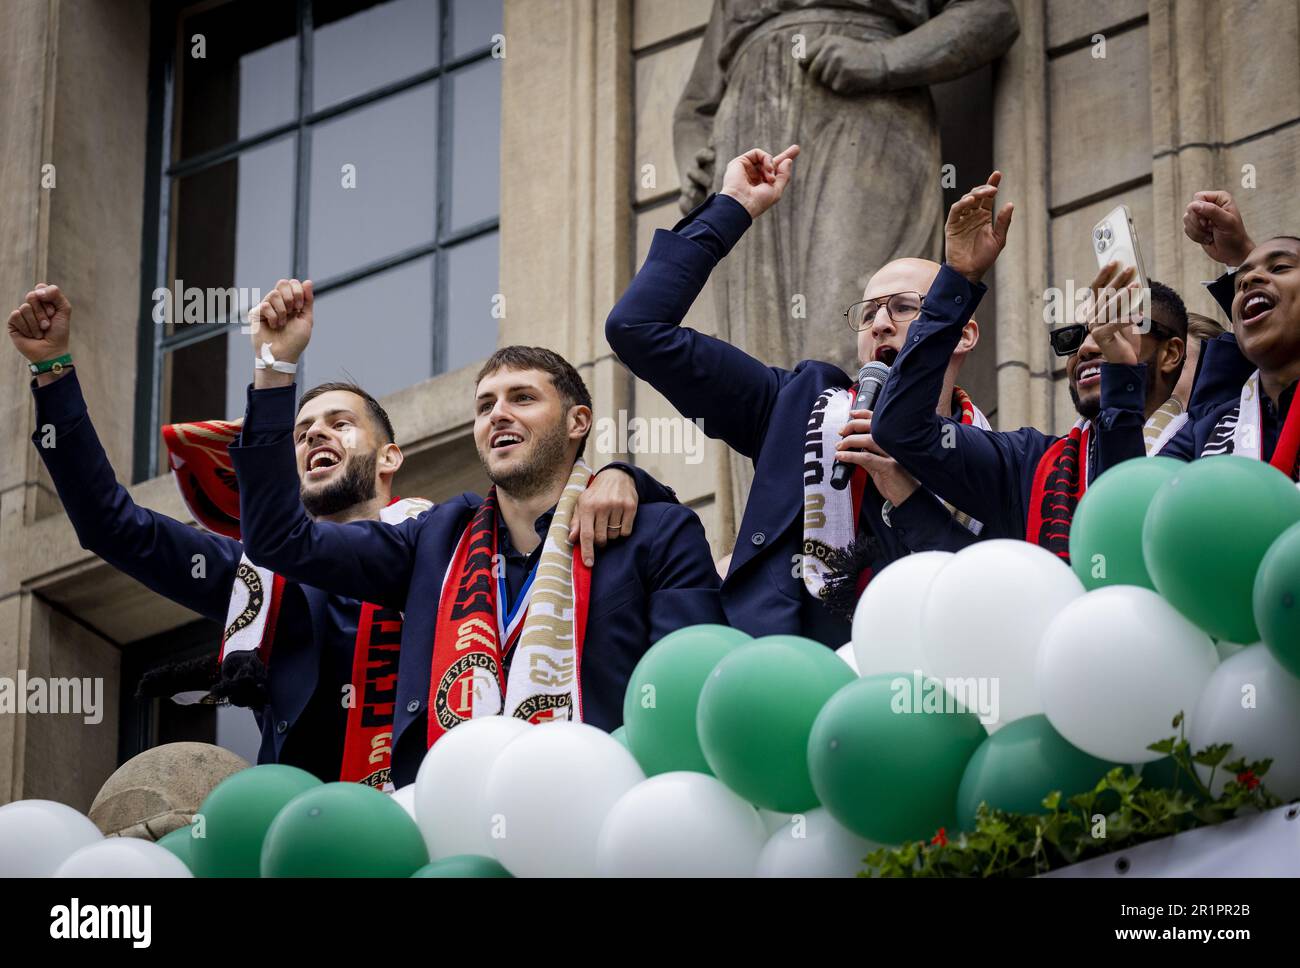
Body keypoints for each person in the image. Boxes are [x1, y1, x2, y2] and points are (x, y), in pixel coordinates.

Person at [6, 282, 658, 787]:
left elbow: (546, 512)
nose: (315, 433)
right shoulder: (254, 576)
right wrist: (54, 373)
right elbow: (111, 525)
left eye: (340, 423)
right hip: (310, 845)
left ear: (390, 457)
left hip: (443, 822)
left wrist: (626, 476)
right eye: (301, 430)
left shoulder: (454, 547)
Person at [228, 282, 725, 786]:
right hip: (455, 828)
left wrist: (629, 474)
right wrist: (275, 367)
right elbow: (279, 540)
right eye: (485, 406)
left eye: (523, 398)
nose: (498, 414)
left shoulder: (655, 531)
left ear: (579, 422)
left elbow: (691, 695)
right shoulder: (431, 543)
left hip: (609, 821)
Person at [605, 145, 999, 647]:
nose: (879, 321)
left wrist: (905, 485)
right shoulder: (797, 405)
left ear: (961, 334)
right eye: (869, 312)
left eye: (902, 307)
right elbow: (637, 328)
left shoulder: (1000, 461)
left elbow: (986, 600)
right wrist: (733, 207)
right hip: (780, 688)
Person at [871, 173, 1190, 562]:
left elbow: (1127, 540)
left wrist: (1124, 379)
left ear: (1172, 353)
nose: (1090, 346)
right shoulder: (1030, 462)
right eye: (1079, 335)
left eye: (1115, 326)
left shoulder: (1214, 440)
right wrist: (959, 279)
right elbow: (900, 428)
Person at [1123, 192, 1300, 479]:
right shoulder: (1205, 429)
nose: (1249, 281)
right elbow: (1131, 498)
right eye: (1241, 281)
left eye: (1280, 267)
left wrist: (1240, 253)